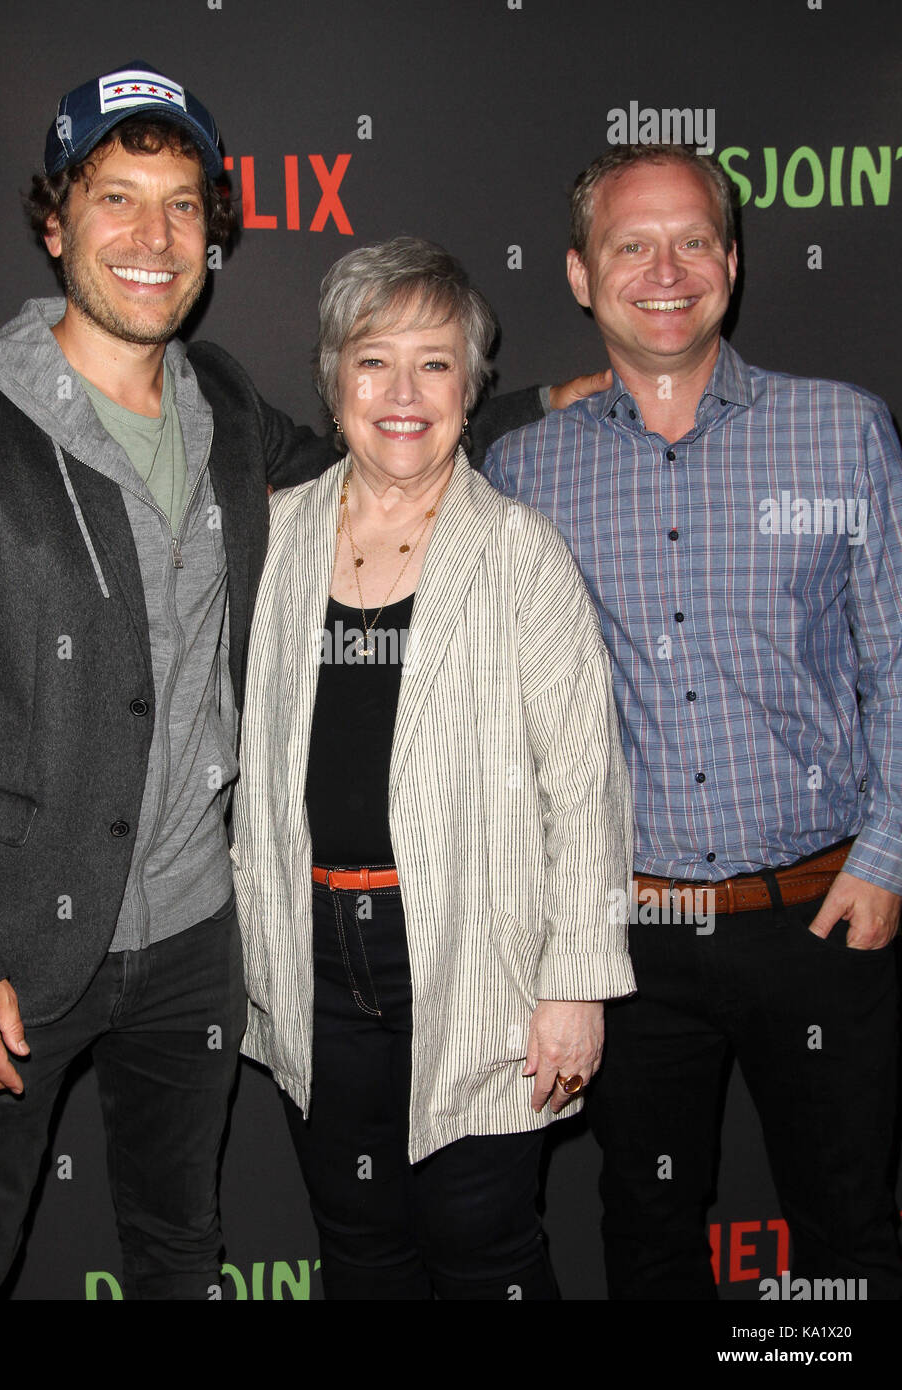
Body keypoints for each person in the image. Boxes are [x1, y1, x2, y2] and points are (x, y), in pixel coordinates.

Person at [0, 65, 574, 1299]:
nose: (151, 237)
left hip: (194, 935)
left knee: (182, 1249)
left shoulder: (224, 404)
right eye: (116, 198)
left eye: (181, 204)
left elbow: (386, 447)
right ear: (54, 220)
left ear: (213, 233)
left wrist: (549, 405)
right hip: (6, 945)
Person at [484, 144, 902, 1300]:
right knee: (650, 1233)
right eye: (631, 245)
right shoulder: (526, 471)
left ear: (731, 261)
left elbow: (898, 653)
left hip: (823, 914)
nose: (664, 269)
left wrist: (888, 856)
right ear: (579, 275)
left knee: (846, 1232)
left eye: (693, 241)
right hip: (631, 938)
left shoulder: (841, 432)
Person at [231, 236, 635, 1301]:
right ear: (334, 381)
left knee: (486, 1246)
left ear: (470, 386)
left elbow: (585, 786)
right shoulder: (275, 541)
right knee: (359, 1249)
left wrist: (575, 985)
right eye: (374, 360)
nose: (403, 393)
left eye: (435, 362)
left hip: (476, 960)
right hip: (313, 961)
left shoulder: (518, 551)